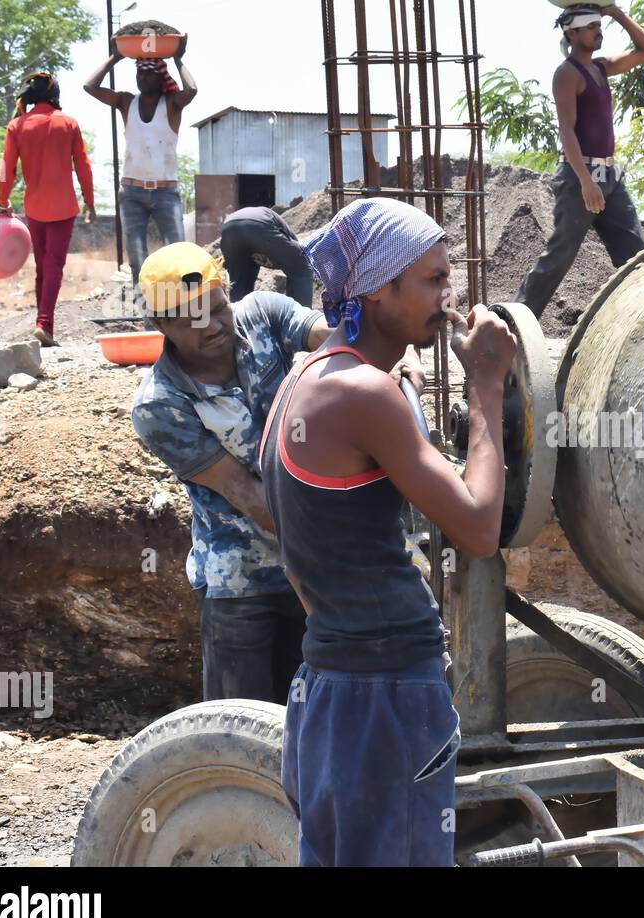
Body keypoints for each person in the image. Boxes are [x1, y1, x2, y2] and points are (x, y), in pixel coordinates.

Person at [260, 198, 516, 867]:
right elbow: (480, 527)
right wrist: (486, 383)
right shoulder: (364, 396)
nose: (449, 296)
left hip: (327, 689)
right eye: (433, 279)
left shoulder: (305, 382)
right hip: (385, 699)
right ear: (378, 291)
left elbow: (303, 554)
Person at [130, 241, 425, 704]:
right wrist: (347, 540)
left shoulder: (262, 314)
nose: (212, 326)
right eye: (191, 319)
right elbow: (244, 493)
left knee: (320, 713)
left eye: (216, 308)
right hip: (243, 587)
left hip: (316, 572)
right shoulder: (159, 405)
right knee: (242, 729)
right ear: (160, 325)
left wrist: (387, 350)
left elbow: (331, 339)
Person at [515, 3, 644, 319]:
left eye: (598, 24)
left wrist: (615, 12)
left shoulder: (601, 67)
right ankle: (513, 325)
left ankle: (638, 322)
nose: (598, 30)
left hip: (610, 176)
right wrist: (585, 180)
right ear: (572, 32)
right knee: (560, 257)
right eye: (591, 25)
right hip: (581, 176)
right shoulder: (567, 74)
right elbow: (567, 131)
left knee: (636, 255)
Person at [84, 39, 198, 312]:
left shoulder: (171, 104)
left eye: (148, 72)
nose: (142, 77)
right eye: (139, 72)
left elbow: (192, 89)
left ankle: (179, 308)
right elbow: (90, 87)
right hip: (132, 193)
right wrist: (114, 57)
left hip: (165, 192)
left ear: (160, 78)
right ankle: (147, 313)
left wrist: (178, 59)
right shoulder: (126, 102)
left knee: (177, 252)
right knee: (137, 257)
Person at [0, 73, 96, 348]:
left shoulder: (17, 126)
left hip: (35, 207)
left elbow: (6, 168)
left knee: (43, 266)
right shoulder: (69, 123)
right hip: (63, 207)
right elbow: (83, 166)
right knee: (53, 266)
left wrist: (2, 200)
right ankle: (44, 324)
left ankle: (43, 323)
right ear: (55, 94)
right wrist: (89, 200)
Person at [219, 207, 314, 307]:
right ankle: (302, 316)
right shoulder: (289, 240)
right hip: (259, 223)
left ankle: (239, 318)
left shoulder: (258, 250)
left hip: (228, 227)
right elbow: (298, 261)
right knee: (301, 267)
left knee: (239, 282)